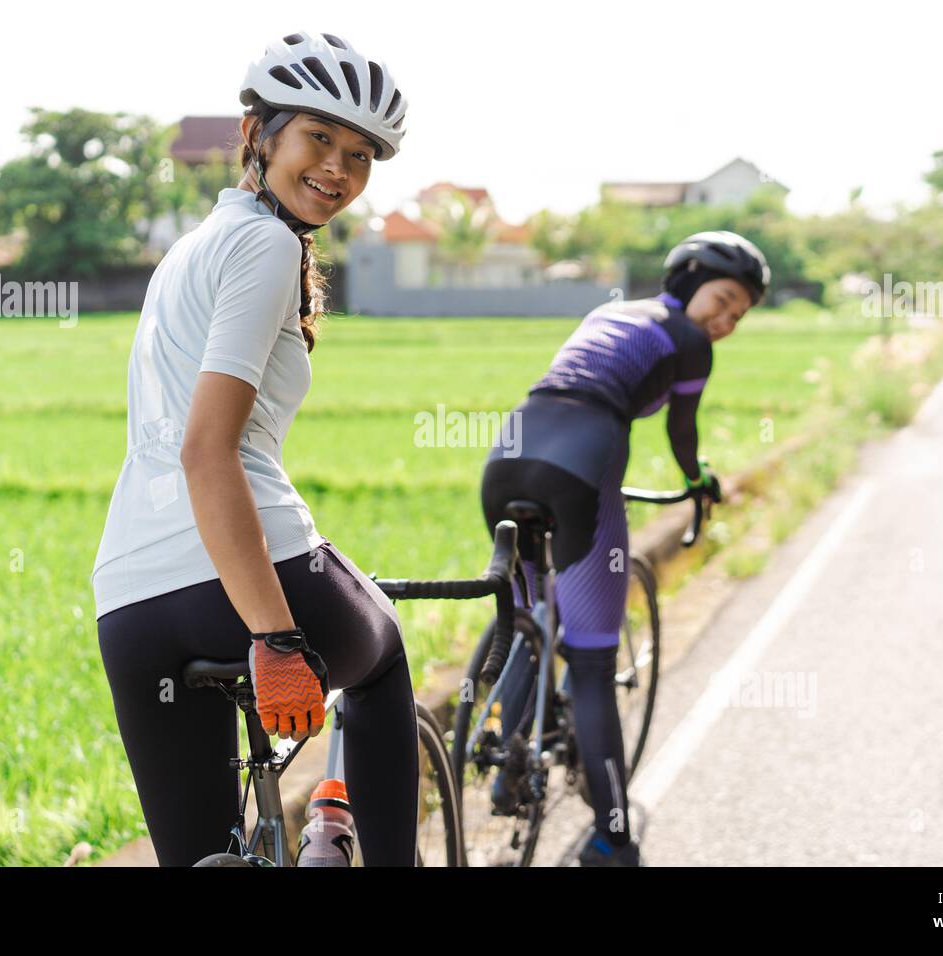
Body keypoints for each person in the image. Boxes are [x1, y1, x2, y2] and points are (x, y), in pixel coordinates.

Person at [91, 31, 415, 866]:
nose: (338, 170)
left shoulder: (189, 248)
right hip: (248, 571)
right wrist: (274, 638)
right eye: (319, 139)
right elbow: (210, 451)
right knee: (380, 661)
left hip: (131, 598)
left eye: (359, 154)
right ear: (257, 134)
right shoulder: (268, 245)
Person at [480, 231, 770, 866]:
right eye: (722, 301)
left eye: (738, 315)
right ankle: (613, 838)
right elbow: (682, 431)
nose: (724, 321)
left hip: (508, 455)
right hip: (584, 463)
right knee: (589, 662)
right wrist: (698, 484)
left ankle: (507, 768)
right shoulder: (689, 343)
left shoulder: (607, 313)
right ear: (688, 283)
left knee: (528, 620)